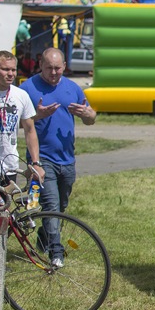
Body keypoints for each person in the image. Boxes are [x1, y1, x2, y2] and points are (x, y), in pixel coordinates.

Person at [21, 48, 96, 267]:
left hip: (67, 159)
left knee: (61, 206)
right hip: (42, 159)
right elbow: (17, 123)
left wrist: (88, 115)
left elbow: (91, 117)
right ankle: (56, 252)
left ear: (64, 66)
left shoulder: (73, 88)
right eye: (49, 68)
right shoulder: (27, 88)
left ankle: (44, 237)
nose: (53, 72)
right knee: (51, 205)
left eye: (57, 68)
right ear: (40, 65)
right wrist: (38, 115)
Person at [0, 50, 44, 207]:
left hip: (10, 164)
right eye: (5, 69)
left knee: (6, 209)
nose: (11, 74)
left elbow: (30, 130)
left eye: (13, 69)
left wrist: (36, 163)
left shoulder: (21, 95)